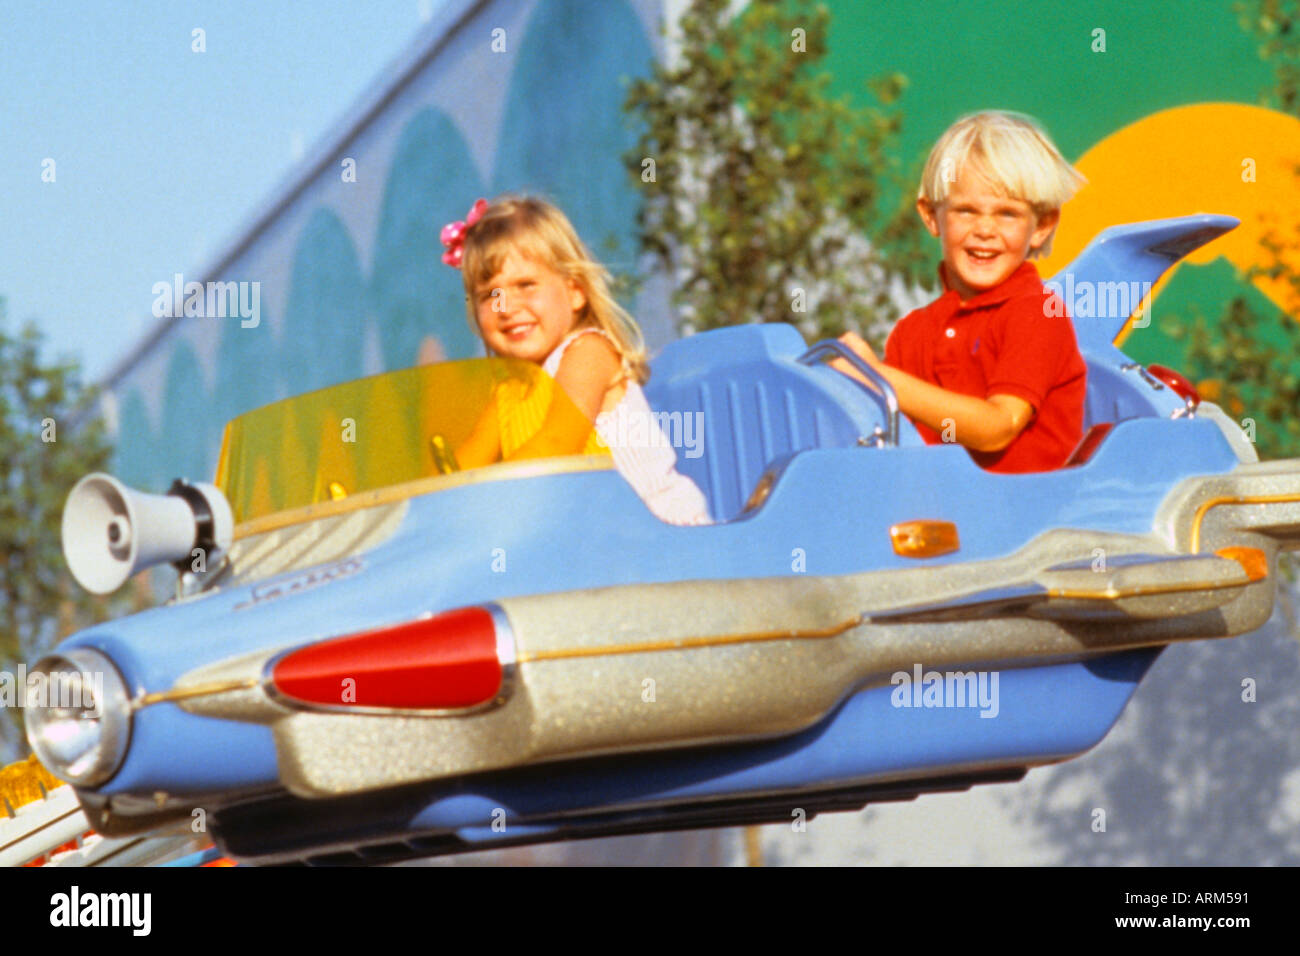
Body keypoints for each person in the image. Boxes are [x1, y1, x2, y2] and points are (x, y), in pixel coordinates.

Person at [835, 111, 1088, 473]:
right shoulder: (912, 332)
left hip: (1029, 517)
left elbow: (997, 428)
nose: (985, 229)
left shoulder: (1037, 314)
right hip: (939, 517)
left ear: (1042, 226)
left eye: (1007, 214)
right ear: (931, 215)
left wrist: (878, 376)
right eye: (966, 211)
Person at [443, 195, 712, 526]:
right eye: (490, 295)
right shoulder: (509, 391)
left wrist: (489, 497)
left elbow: (557, 443)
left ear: (575, 292)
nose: (506, 307)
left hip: (661, 534)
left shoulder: (588, 352)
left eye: (525, 285)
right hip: (590, 545)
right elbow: (464, 468)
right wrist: (436, 494)